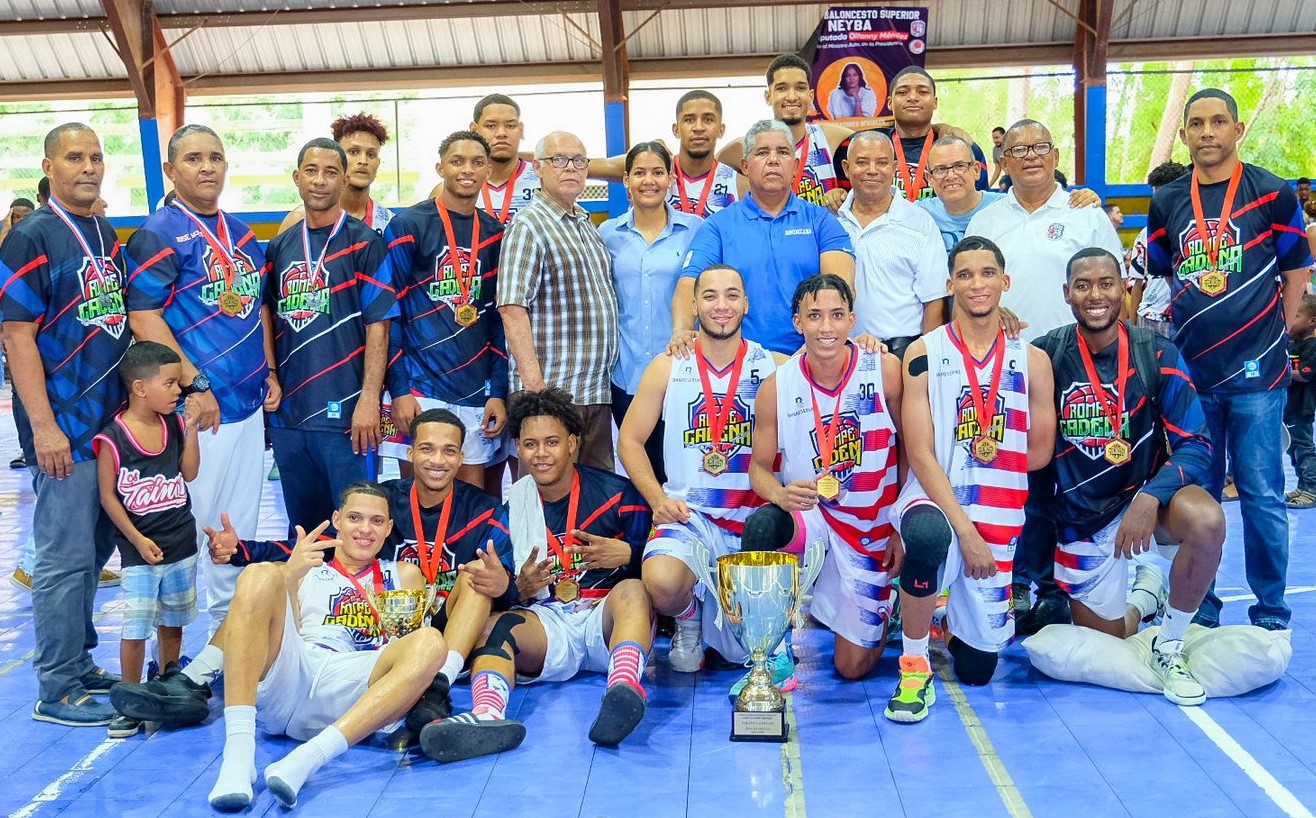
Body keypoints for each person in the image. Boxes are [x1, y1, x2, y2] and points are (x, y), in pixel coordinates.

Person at [149, 408, 518, 739]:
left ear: (461, 457)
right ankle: (196, 678)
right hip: (388, 622)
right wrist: (241, 550)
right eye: (427, 449)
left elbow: (514, 585)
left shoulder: (484, 509)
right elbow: (315, 544)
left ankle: (437, 688)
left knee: (477, 580)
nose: (437, 459)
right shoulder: (382, 502)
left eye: (448, 450)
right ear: (410, 453)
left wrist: (506, 586)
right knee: (274, 576)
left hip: (446, 626)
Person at [1147, 88, 1313, 631]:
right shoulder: (1168, 199)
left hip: (1257, 374)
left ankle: (1271, 608)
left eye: (1219, 121)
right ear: (1185, 134)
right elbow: (1163, 272)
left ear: (1238, 130)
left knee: (1263, 490)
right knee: (1201, 492)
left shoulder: (1272, 192)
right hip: (1193, 373)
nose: (1208, 132)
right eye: (1197, 123)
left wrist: (1280, 329)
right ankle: (1204, 604)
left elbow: (1295, 271)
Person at [419, 388, 654, 763]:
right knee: (497, 626)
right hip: (548, 623)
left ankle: (622, 690)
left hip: (604, 620)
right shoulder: (511, 511)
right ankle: (487, 716)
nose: (541, 454)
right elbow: (503, 586)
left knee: (633, 591)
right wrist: (518, 589)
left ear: (573, 443)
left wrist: (630, 554)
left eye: (551, 442)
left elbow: (660, 564)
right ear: (518, 448)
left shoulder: (617, 494)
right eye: (530, 444)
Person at [1036, 248, 1221, 705]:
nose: (1095, 295)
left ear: (1124, 289)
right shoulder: (1045, 355)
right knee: (1113, 637)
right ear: (1067, 294)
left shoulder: (1156, 352)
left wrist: (1151, 497)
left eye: (1106, 283)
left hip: (1145, 504)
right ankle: (1147, 596)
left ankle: (1172, 642)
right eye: (1083, 285)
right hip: (1082, 516)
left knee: (1207, 519)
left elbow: (1197, 444)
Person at [887, 236, 1054, 722]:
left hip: (1001, 510)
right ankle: (914, 665)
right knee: (927, 535)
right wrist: (965, 529)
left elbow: (1040, 451)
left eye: (987, 274)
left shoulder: (1034, 360)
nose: (976, 284)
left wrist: (987, 470)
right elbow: (918, 451)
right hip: (935, 497)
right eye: (964, 275)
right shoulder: (924, 352)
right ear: (950, 284)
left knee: (979, 669)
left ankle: (945, 617)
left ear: (1005, 282)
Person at [965, 119, 1122, 633]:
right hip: (1003, 368)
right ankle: (1017, 583)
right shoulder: (987, 220)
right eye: (1017, 149)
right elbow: (969, 289)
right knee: (1018, 477)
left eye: (1039, 147)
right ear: (1002, 161)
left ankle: (1058, 587)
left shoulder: (1086, 213)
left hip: (1078, 367)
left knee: (1068, 476)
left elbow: (1118, 290)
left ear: (1055, 155)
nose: (1029, 156)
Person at [199, 484, 443, 810]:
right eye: (355, 518)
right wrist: (290, 576)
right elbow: (288, 632)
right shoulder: (308, 564)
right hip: (296, 667)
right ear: (337, 520)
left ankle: (308, 759)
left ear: (388, 528)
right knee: (259, 574)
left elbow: (407, 649)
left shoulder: (403, 574)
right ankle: (238, 755)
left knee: (430, 642)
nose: (365, 529)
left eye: (376, 521)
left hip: (354, 681)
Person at [1, 123, 132, 726]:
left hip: (109, 425)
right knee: (64, 557)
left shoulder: (105, 231)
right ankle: (55, 689)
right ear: (49, 166)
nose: (88, 166)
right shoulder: (30, 237)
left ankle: (79, 662)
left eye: (96, 157)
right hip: (64, 430)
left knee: (97, 548)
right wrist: (44, 428)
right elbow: (17, 337)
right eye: (74, 157)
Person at [126, 124, 277, 635]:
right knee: (197, 521)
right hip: (201, 406)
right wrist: (195, 385)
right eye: (193, 159)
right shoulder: (158, 232)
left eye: (215, 157)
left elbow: (254, 307)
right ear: (171, 170)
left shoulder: (243, 232)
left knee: (240, 524)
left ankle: (229, 635)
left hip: (249, 401)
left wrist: (270, 372)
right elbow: (143, 315)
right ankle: (179, 646)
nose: (206, 166)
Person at [621, 264, 785, 672]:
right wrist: (658, 499)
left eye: (732, 295)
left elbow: (835, 360)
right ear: (693, 305)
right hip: (688, 515)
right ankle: (687, 616)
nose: (721, 305)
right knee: (660, 581)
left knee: (749, 653)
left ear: (746, 304)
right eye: (710, 296)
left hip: (752, 520)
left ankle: (739, 618)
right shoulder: (668, 366)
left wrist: (869, 346)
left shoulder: (776, 366)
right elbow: (629, 440)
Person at [744, 274, 905, 683]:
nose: (826, 327)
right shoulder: (777, 386)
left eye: (836, 315)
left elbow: (913, 454)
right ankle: (774, 654)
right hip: (814, 517)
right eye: (814, 316)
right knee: (765, 525)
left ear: (852, 319)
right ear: (798, 322)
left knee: (851, 669)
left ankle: (889, 605)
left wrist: (901, 525)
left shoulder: (884, 370)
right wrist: (779, 493)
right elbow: (757, 470)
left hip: (872, 529)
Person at [265, 138, 397, 535]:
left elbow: (380, 324)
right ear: (296, 178)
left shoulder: (366, 243)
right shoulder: (280, 246)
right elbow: (266, 316)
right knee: (302, 530)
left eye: (330, 172)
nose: (320, 181)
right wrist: (271, 373)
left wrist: (370, 398)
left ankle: (354, 597)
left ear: (343, 181)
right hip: (290, 413)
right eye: (311, 171)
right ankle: (303, 599)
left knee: (355, 526)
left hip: (347, 412)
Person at [385, 132, 509, 493]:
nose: (467, 170)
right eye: (457, 161)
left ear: (488, 169)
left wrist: (498, 391)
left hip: (474, 389)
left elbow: (499, 319)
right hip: (418, 388)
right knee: (417, 497)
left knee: (470, 501)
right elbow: (387, 311)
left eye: (476, 162)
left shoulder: (494, 234)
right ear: (440, 167)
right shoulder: (408, 225)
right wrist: (399, 390)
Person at [92, 342, 200, 737]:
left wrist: (191, 431)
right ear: (139, 387)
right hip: (140, 552)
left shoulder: (173, 424)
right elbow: (108, 496)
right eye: (170, 383)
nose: (178, 390)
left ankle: (167, 683)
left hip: (181, 543)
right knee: (135, 627)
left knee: (173, 624)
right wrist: (136, 540)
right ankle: (130, 697)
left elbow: (189, 474)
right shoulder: (114, 438)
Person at [677, 119, 855, 356]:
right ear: (745, 166)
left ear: (794, 166)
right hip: (737, 362)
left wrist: (815, 348)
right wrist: (681, 330)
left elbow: (840, 289)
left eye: (782, 152)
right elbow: (689, 283)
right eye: (762, 152)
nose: (773, 160)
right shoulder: (718, 226)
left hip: (808, 358)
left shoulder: (822, 222)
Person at [497, 131, 618, 470]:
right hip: (551, 392)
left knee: (594, 501)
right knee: (543, 502)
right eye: (559, 160)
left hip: (594, 391)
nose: (570, 168)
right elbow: (511, 307)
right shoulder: (529, 224)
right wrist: (538, 393)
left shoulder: (583, 223)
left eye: (579, 161)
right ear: (537, 167)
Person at [600, 141, 703, 486]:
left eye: (658, 172)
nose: (649, 181)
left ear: (671, 179)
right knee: (637, 467)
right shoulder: (606, 234)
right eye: (640, 173)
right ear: (626, 181)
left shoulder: (696, 230)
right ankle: (643, 538)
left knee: (679, 468)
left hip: (681, 370)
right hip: (626, 373)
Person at [836, 130, 947, 360]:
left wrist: (925, 359)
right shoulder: (832, 221)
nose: (872, 170)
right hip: (844, 354)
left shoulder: (919, 222)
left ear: (895, 168)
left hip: (903, 352)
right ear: (846, 168)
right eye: (862, 162)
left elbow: (934, 300)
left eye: (882, 162)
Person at [921, 135, 1100, 252]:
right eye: (941, 169)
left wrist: (1085, 197)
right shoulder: (918, 213)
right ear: (929, 177)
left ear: (976, 170)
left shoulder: (1009, 207)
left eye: (960, 166)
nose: (951, 176)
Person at [717, 54, 852, 207]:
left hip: (820, 229)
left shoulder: (829, 136)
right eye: (782, 88)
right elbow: (705, 174)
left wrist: (845, 194)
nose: (792, 96)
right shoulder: (744, 146)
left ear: (810, 96)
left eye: (800, 88)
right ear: (768, 96)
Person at [881, 67, 988, 202]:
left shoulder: (962, 147)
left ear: (935, 102)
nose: (913, 97)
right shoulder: (871, 145)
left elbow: (982, 203)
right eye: (902, 92)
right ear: (890, 103)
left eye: (923, 92)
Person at [278, 112, 395, 234]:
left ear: (378, 163)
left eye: (371, 155)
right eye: (353, 152)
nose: (363, 161)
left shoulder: (389, 223)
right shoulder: (298, 220)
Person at [1126, 162, 1190, 338]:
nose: (1159, 202)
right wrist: (1132, 330)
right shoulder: (1146, 234)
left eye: (1165, 195)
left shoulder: (1199, 231)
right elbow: (1137, 283)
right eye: (1155, 195)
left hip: (1189, 319)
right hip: (1151, 319)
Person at [1286, 295, 1316, 509]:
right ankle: (1302, 484)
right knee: (1293, 449)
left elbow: (1304, 375)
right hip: (1288, 407)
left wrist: (1280, 371)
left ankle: (1311, 489)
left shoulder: (1312, 347)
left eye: (1296, 315)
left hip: (1301, 408)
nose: (1291, 320)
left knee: (1304, 448)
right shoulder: (1291, 343)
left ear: (1311, 321)